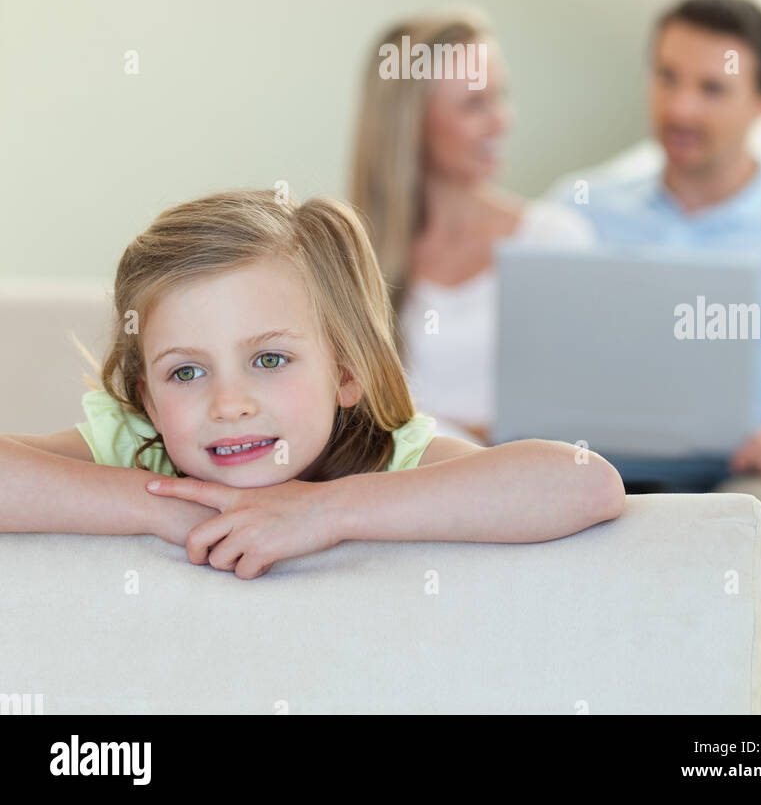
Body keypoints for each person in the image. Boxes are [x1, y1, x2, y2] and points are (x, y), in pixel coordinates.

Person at [0, 189, 624, 577]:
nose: (230, 404)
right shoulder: (141, 451)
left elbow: (583, 482)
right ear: (150, 407)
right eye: (186, 372)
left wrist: (326, 511)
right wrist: (160, 509)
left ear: (346, 373)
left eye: (269, 360)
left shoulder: (394, 458)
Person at [548, 0, 761, 715]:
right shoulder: (579, 212)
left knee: (760, 523)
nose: (681, 108)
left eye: (712, 89)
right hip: (609, 473)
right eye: (667, 78)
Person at [349, 10, 594, 445]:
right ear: (411, 126)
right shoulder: (350, 254)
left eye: (501, 97)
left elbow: (581, 419)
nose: (502, 121)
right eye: (474, 105)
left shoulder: (553, 241)